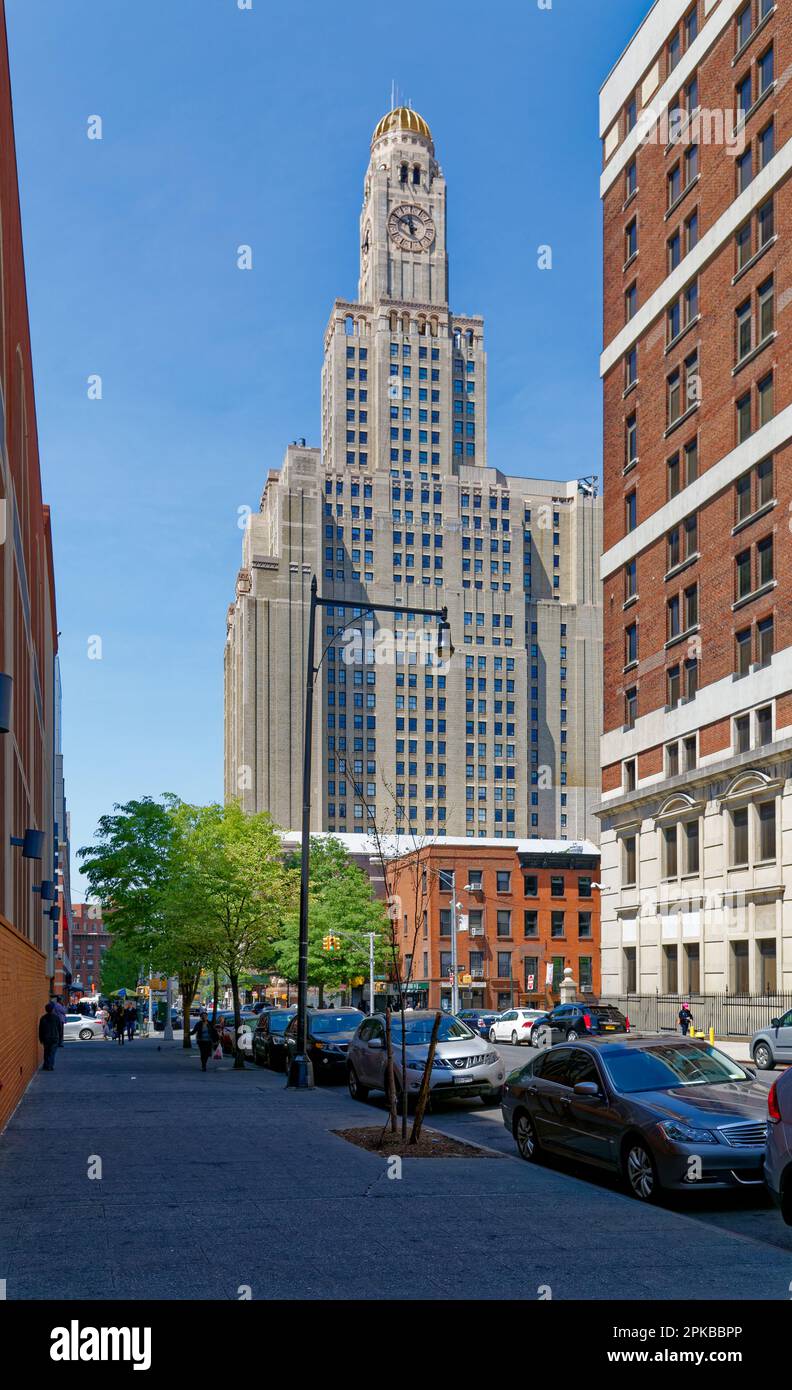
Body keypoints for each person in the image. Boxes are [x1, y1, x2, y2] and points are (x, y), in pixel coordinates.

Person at [39, 1003, 61, 1071]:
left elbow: (40, 1029)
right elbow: (59, 1028)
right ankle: (50, 1066)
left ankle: (46, 1065)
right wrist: (59, 1038)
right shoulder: (56, 1018)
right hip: (54, 1037)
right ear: (53, 1009)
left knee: (46, 1052)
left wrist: (41, 1038)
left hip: (46, 1038)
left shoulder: (43, 1018)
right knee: (52, 1053)